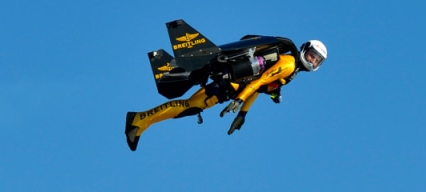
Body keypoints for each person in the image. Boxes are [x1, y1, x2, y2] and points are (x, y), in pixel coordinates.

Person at [125, 39, 326, 151]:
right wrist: (239, 102)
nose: (313, 61)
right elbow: (259, 82)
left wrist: (242, 114)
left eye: (317, 60)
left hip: (230, 87)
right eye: (312, 55)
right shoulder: (289, 64)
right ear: (304, 49)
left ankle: (139, 120)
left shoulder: (292, 70)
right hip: (227, 86)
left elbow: (259, 88)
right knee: (190, 107)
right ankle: (139, 120)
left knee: (189, 106)